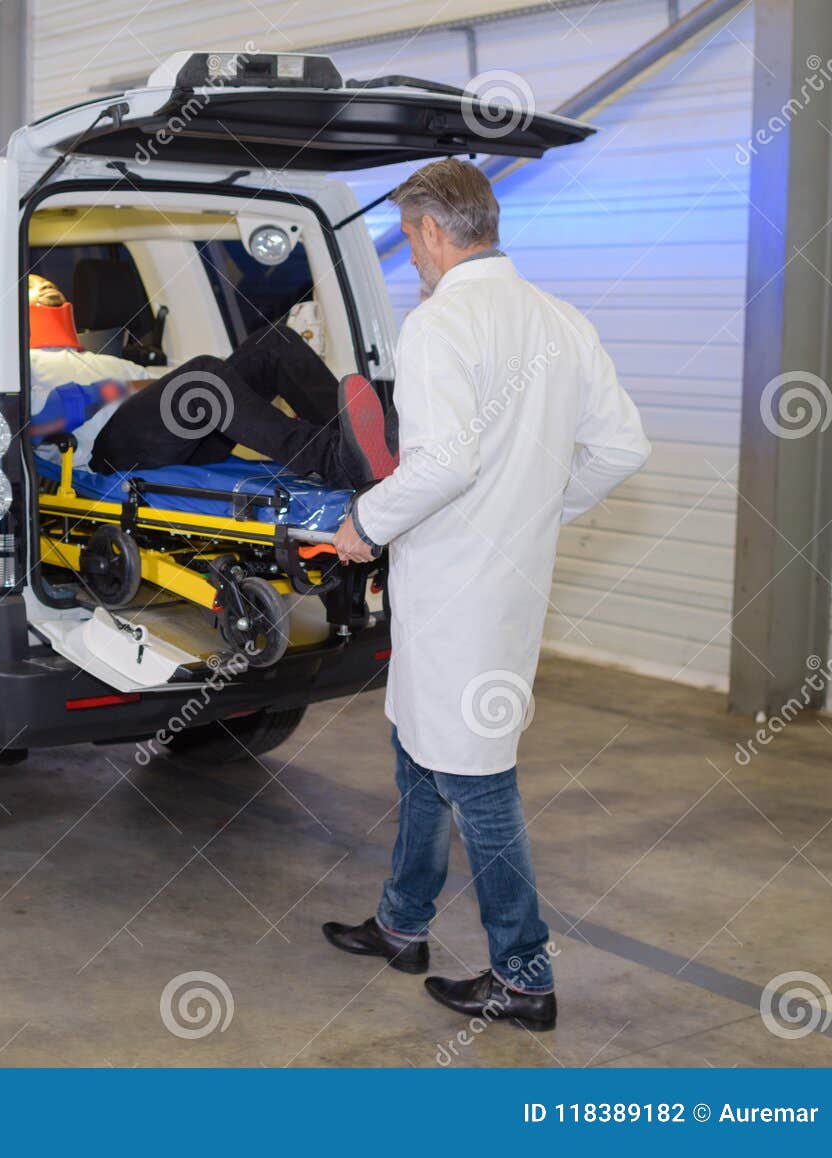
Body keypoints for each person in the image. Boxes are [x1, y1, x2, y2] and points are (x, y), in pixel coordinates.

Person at [321, 159, 651, 1031]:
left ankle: (523, 974)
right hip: (496, 586)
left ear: (433, 231)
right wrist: (540, 510)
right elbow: (621, 447)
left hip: (454, 587)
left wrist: (364, 524)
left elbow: (443, 464)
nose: (414, 259)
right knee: (421, 750)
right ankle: (402, 923)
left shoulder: (438, 325)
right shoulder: (560, 319)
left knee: (477, 778)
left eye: (411, 240)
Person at [25, 274, 395, 488]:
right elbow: (37, 424)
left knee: (273, 342)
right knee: (203, 377)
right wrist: (113, 390)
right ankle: (332, 457)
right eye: (35, 286)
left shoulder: (101, 360)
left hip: (175, 435)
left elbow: (167, 385)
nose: (46, 289)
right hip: (110, 454)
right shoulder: (22, 367)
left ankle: (362, 444)